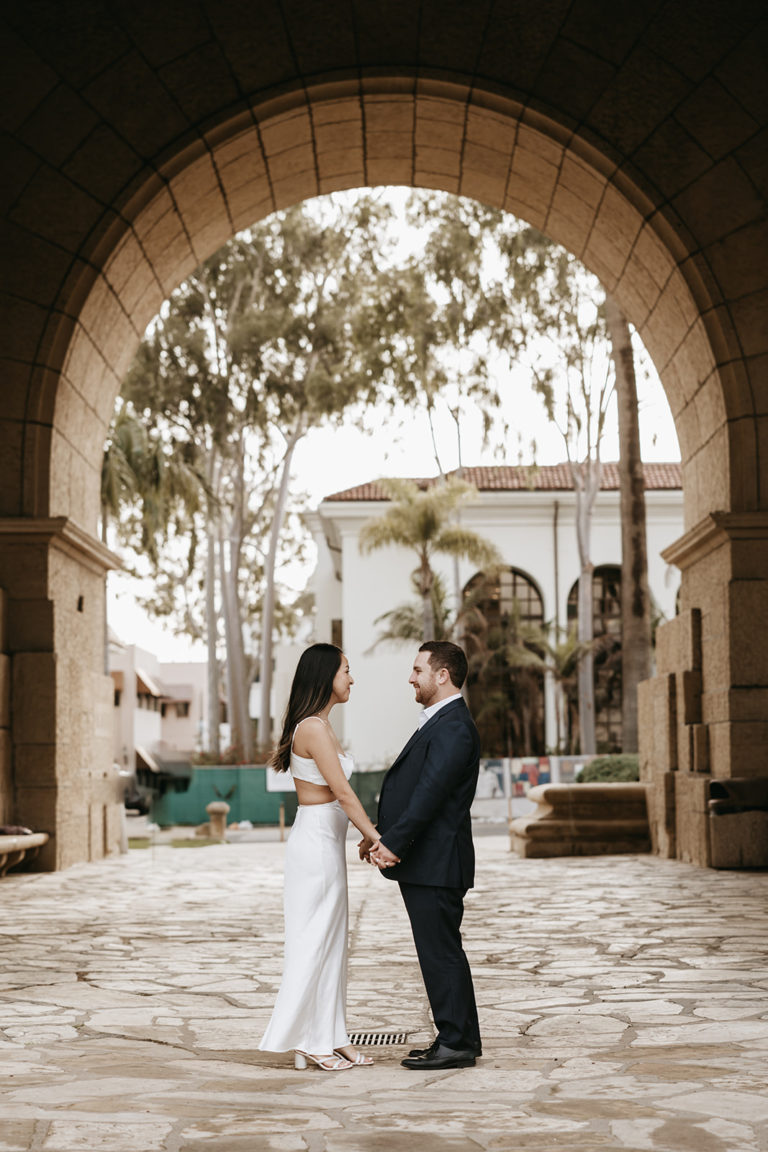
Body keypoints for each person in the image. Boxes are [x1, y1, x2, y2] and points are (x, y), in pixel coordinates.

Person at [259, 643, 383, 1071]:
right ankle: (309, 1041)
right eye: (347, 670)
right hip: (314, 847)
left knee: (332, 944)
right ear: (326, 675)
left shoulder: (322, 726)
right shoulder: (311, 727)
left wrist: (364, 835)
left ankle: (333, 1035)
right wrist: (375, 837)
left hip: (327, 844)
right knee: (313, 942)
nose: (352, 678)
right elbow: (344, 794)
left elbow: (341, 796)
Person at [362, 640, 482, 1070]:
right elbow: (418, 789)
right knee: (439, 952)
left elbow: (430, 795)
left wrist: (393, 843)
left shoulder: (452, 725)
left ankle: (457, 1043)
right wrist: (382, 834)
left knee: (441, 953)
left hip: (436, 863)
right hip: (429, 862)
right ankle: (455, 1036)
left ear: (442, 674)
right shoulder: (441, 721)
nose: (411, 677)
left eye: (417, 669)